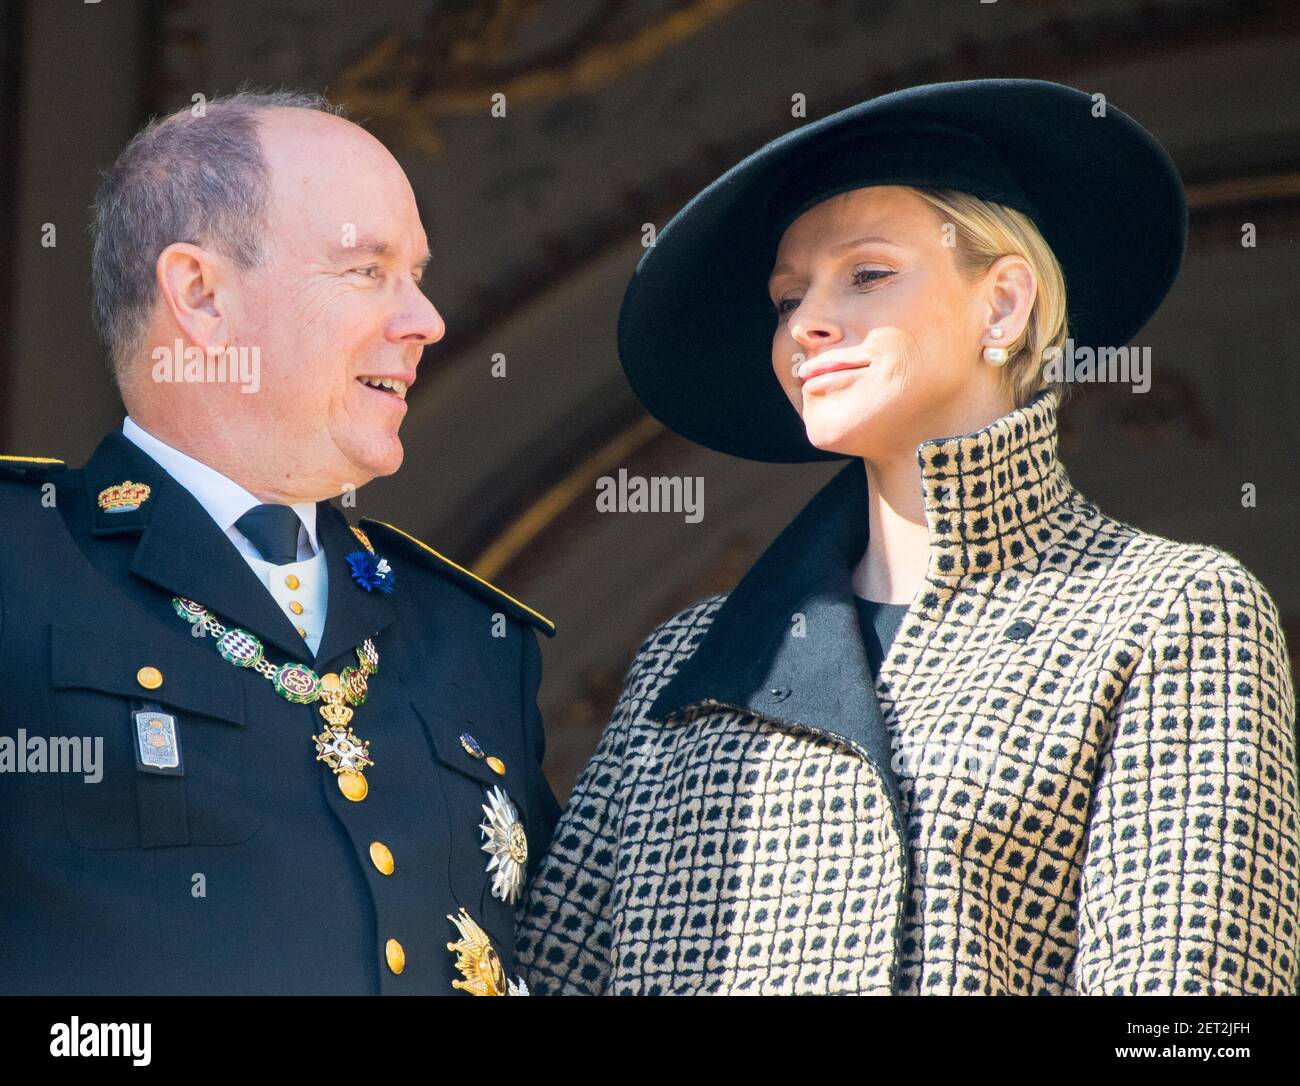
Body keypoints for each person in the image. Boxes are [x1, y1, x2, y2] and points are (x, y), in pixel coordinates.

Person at [516, 78, 1299, 995]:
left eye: (868, 274)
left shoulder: (1169, 612)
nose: (805, 323)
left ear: (1003, 306)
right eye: (784, 299)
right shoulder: (684, 665)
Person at [0, 91, 559, 995]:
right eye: (366, 270)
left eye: (415, 273)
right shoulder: (20, 561)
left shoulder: (476, 640)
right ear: (201, 296)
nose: (427, 319)